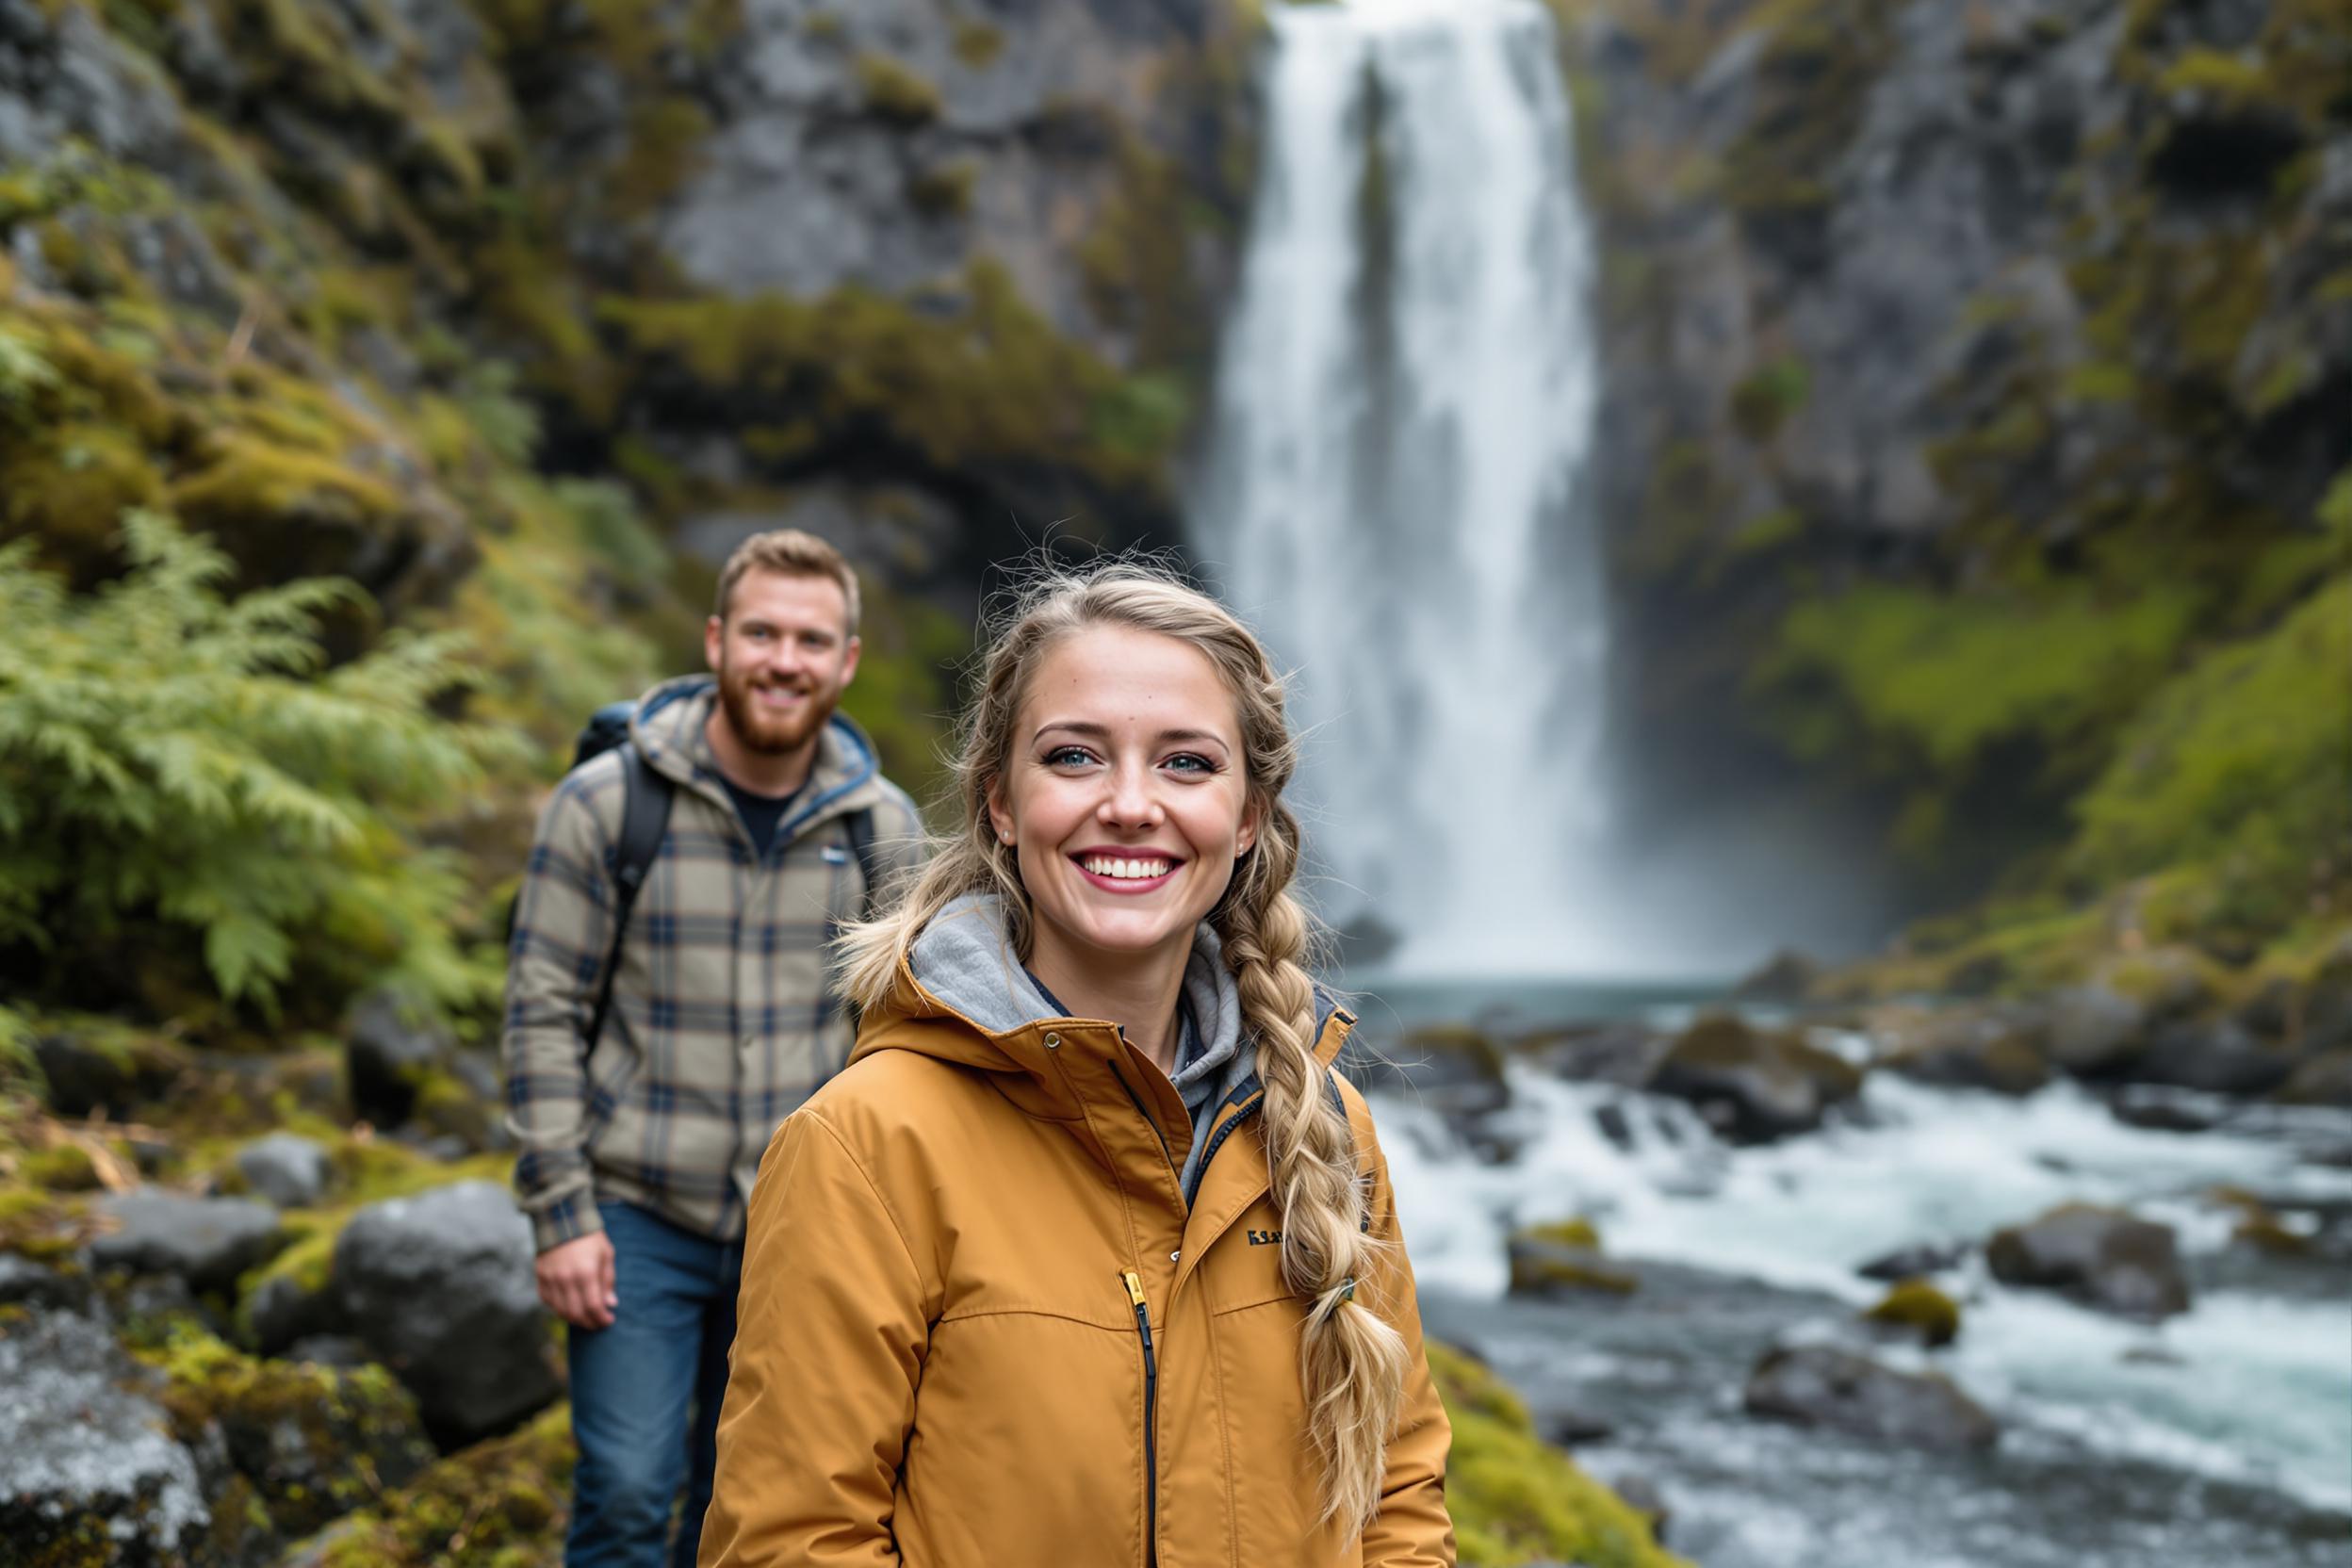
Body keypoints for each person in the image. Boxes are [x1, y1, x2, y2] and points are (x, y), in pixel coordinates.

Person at [696, 564, 1454, 1567]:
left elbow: (1398, 1500)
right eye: (1075, 756)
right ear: (1001, 801)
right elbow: (789, 1542)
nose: (1132, 803)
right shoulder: (866, 1143)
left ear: (1248, 817)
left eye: (1186, 762)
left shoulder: (1326, 1124)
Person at [502, 529, 925, 1568]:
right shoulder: (609, 804)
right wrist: (561, 1214)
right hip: (637, 1215)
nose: (785, 658)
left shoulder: (883, 827)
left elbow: (907, 1043)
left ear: (848, 660)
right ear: (716, 640)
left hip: (806, 1226)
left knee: (756, 1502)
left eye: (812, 639)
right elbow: (541, 1006)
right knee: (628, 1494)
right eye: (764, 632)